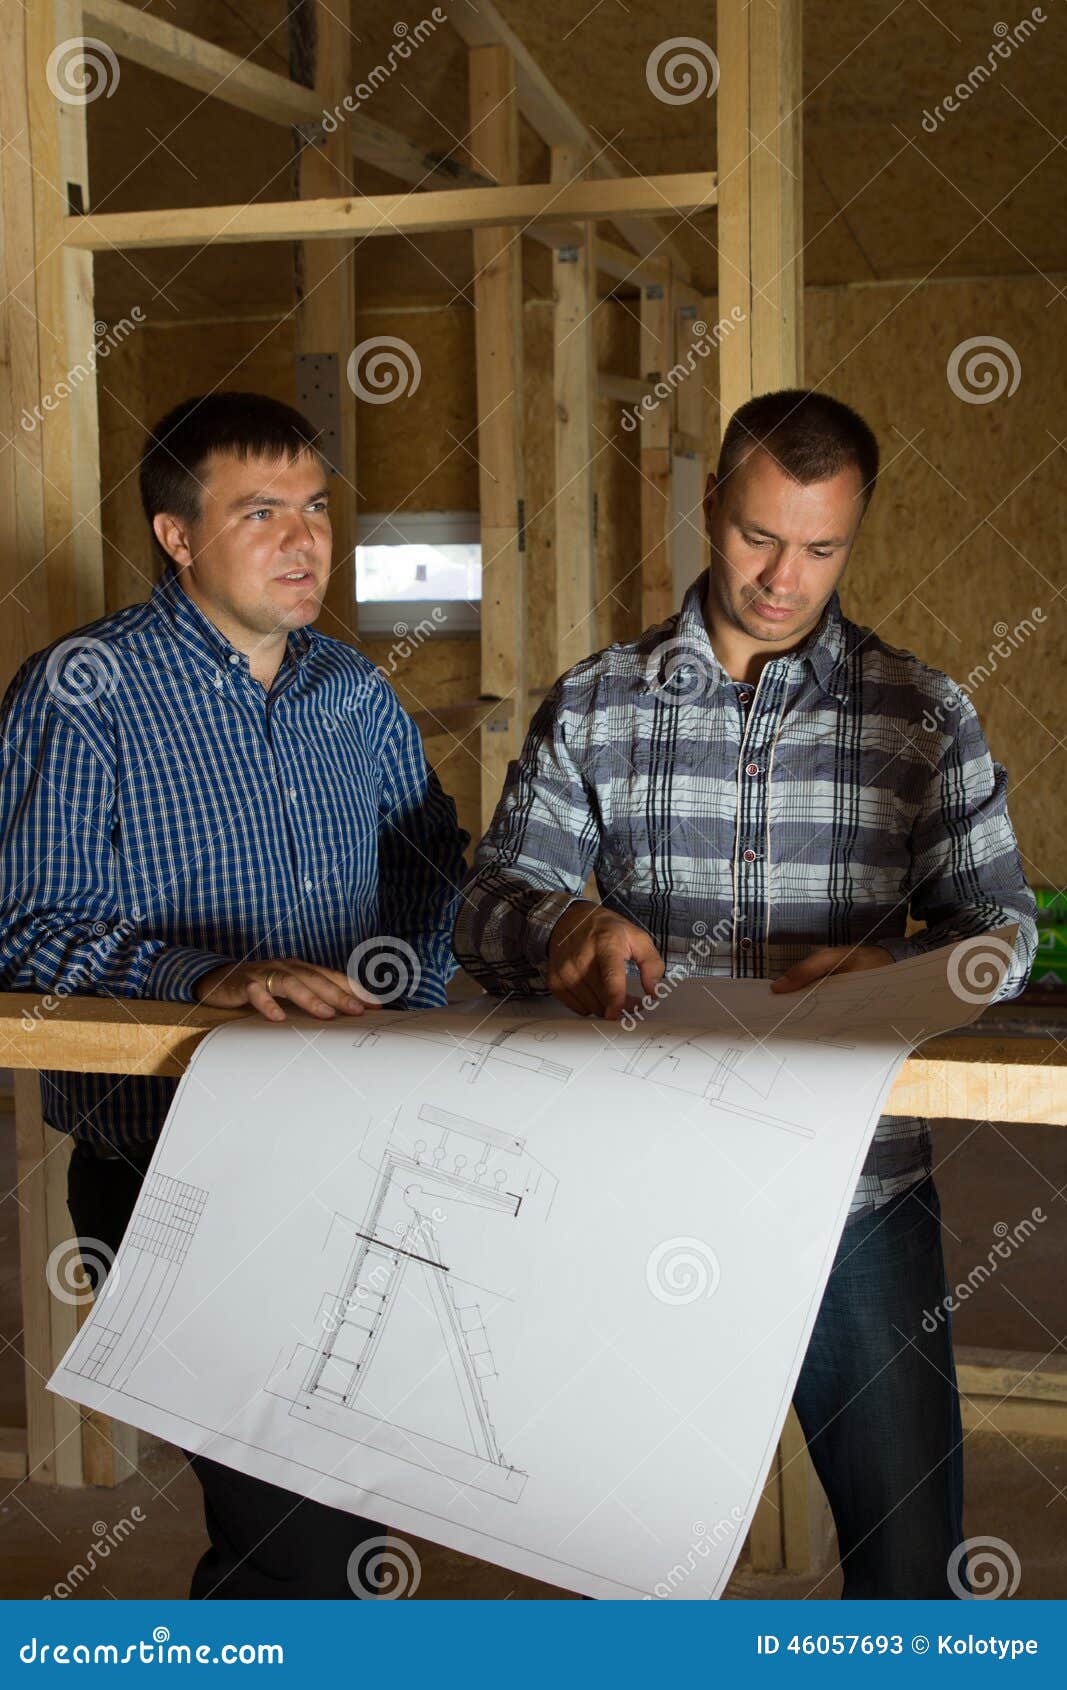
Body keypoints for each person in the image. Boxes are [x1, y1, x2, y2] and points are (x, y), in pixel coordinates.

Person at [454, 387, 1037, 1598]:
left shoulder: (922, 714)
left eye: (820, 548)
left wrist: (897, 968)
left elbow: (1002, 934)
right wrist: (562, 921)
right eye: (756, 536)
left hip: (856, 1202)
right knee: (625, 1565)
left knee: (906, 1566)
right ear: (708, 504)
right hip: (643, 1187)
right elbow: (485, 902)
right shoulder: (597, 702)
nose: (783, 576)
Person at [0, 391, 469, 1597]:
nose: (304, 541)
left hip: (358, 1149)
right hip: (176, 1167)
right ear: (177, 535)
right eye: (260, 513)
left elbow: (434, 877)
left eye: (314, 508)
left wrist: (411, 996)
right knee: (288, 1537)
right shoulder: (82, 693)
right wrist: (209, 976)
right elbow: (23, 935)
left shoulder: (352, 693)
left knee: (334, 1531)